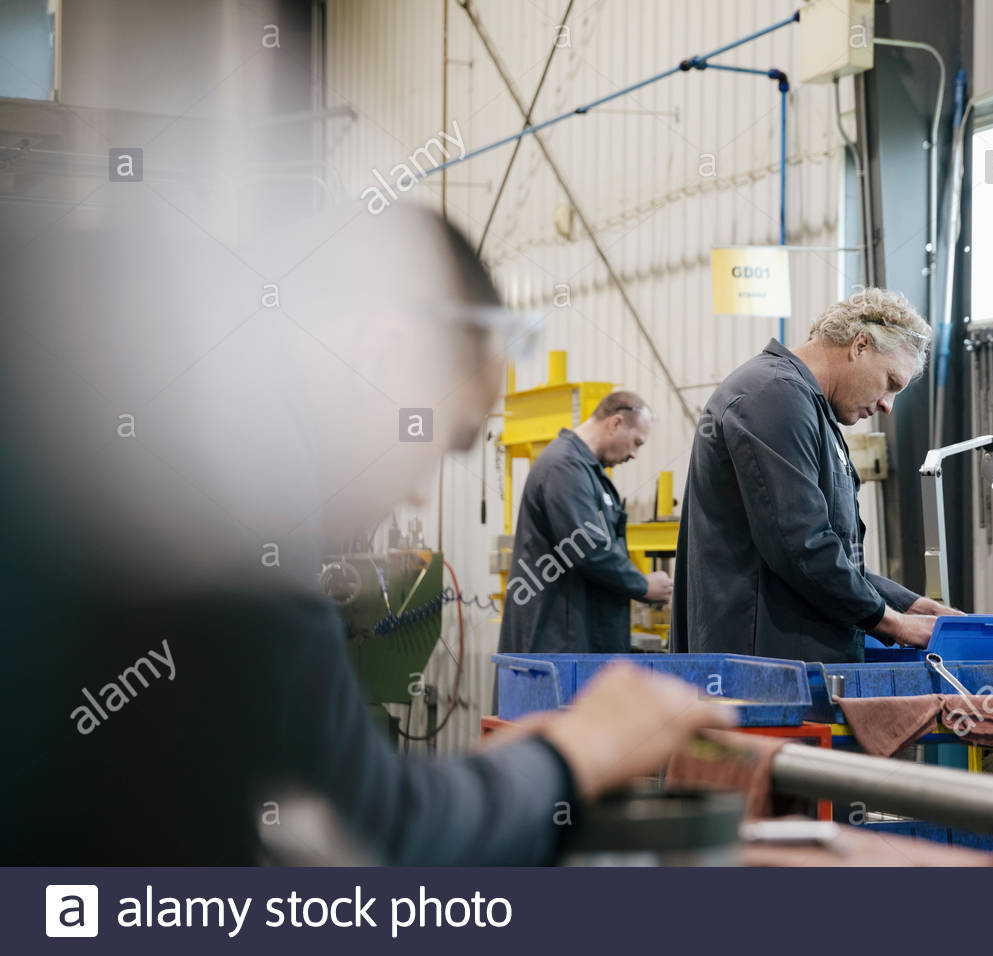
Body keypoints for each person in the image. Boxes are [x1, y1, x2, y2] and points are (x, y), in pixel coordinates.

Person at [0, 199, 730, 866]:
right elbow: (370, 831)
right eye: (447, 441)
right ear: (384, 357)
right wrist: (577, 753)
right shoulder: (240, 482)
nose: (418, 490)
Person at [671, 290, 962, 664]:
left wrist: (909, 605)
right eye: (891, 382)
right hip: (762, 667)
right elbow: (801, 546)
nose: (888, 405)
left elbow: (830, 554)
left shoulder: (805, 405)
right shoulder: (772, 394)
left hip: (788, 661)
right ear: (860, 346)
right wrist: (893, 624)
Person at [497, 392, 673, 655]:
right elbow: (587, 548)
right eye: (636, 442)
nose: (635, 454)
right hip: (558, 641)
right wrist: (642, 585)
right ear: (615, 423)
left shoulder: (585, 470)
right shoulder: (564, 467)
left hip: (576, 636)